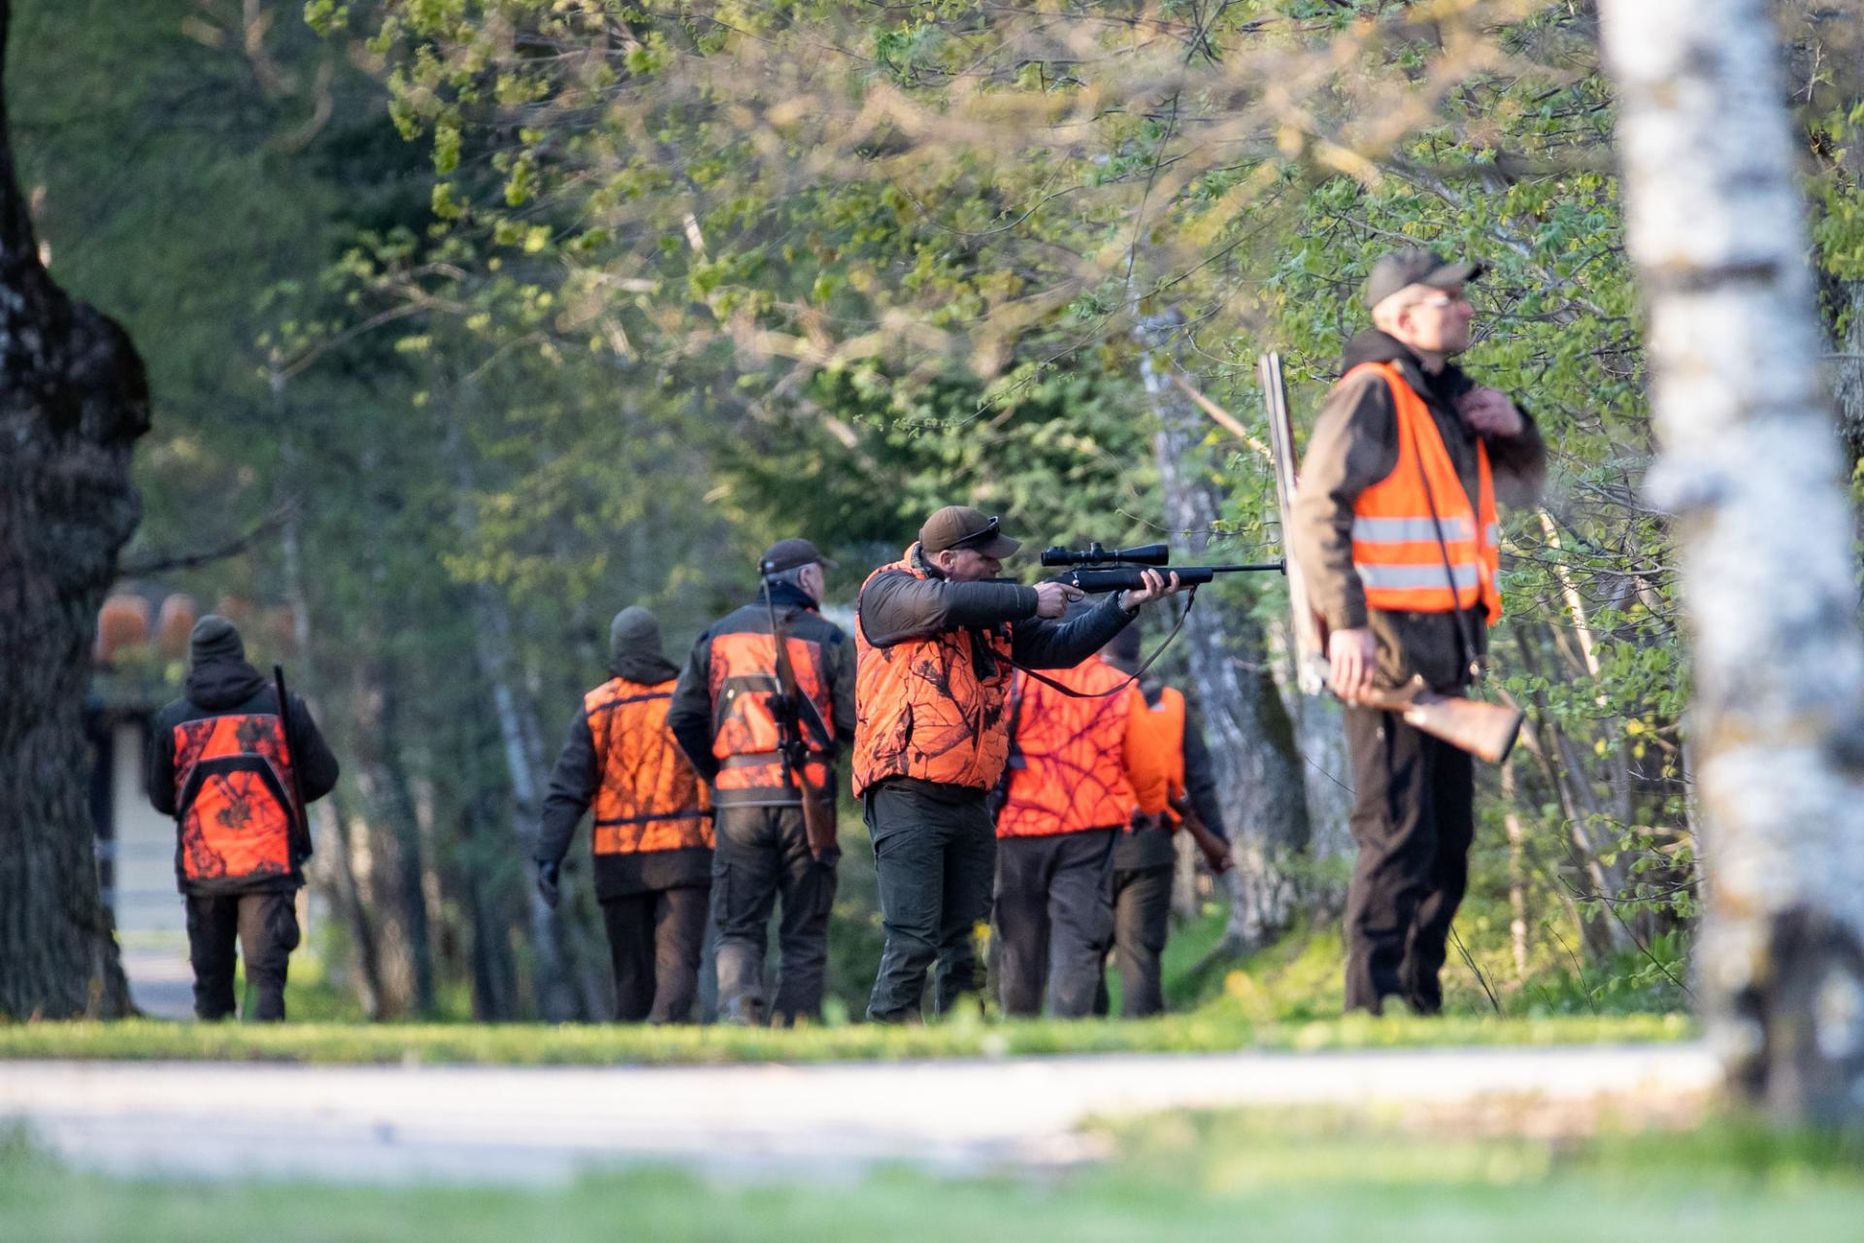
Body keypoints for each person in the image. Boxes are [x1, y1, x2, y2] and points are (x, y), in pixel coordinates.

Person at [1290, 247, 1546, 1015]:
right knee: (1397, 839)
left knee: (1448, 847)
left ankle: (1417, 1002)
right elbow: (1318, 511)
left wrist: (1518, 429)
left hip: (1447, 657)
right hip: (1387, 656)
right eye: (1448, 298)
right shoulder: (1371, 394)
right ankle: (1369, 1008)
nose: (1466, 308)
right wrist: (1346, 626)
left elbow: (1521, 488)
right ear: (1402, 316)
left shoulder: (1447, 399)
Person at [853, 505, 1183, 1022]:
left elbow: (1060, 648)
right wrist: (1032, 598)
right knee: (913, 938)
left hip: (972, 797)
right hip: (906, 790)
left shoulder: (988, 610)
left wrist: (1122, 605)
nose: (997, 566)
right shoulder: (887, 590)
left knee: (969, 941)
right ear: (947, 559)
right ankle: (888, 1038)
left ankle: (964, 1039)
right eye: (986, 558)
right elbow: (940, 603)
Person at [667, 539, 854, 1026]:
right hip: (808, 802)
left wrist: (721, 771)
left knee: (739, 926)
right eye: (821, 574)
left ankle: (741, 1014)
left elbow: (682, 717)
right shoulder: (831, 639)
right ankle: (798, 1026)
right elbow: (854, 721)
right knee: (804, 932)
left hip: (739, 803)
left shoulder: (717, 636)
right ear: (807, 578)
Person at [147, 615, 338, 1021]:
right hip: (268, 867)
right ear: (239, 654)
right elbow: (324, 775)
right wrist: (283, 799)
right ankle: (261, 1053)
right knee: (263, 980)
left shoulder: (173, 721)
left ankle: (215, 1054)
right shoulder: (282, 708)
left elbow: (163, 800)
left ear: (195, 659)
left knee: (212, 984)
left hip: (204, 869)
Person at [535, 606, 713, 1024]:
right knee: (679, 962)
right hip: (685, 854)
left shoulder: (599, 707)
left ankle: (632, 1050)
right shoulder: (687, 698)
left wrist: (549, 857)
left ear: (617, 648)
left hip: (620, 859)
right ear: (656, 644)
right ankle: (667, 1037)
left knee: (631, 973)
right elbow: (716, 769)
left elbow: (567, 790)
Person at [991, 628, 1160, 1019]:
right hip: (1089, 827)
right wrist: (1151, 806)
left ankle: (1020, 1024)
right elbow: (1146, 763)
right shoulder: (1118, 685)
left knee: (1020, 937)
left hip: (1018, 825)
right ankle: (1068, 1030)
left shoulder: (1013, 682)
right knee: (1078, 932)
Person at [1097, 624, 1231, 1019]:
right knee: (1140, 951)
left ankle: (1083, 1037)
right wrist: (1218, 840)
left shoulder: (1082, 696)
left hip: (1090, 840)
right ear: (1139, 651)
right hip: (1151, 841)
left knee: (1084, 950)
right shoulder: (1171, 702)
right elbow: (1200, 780)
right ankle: (1143, 1036)